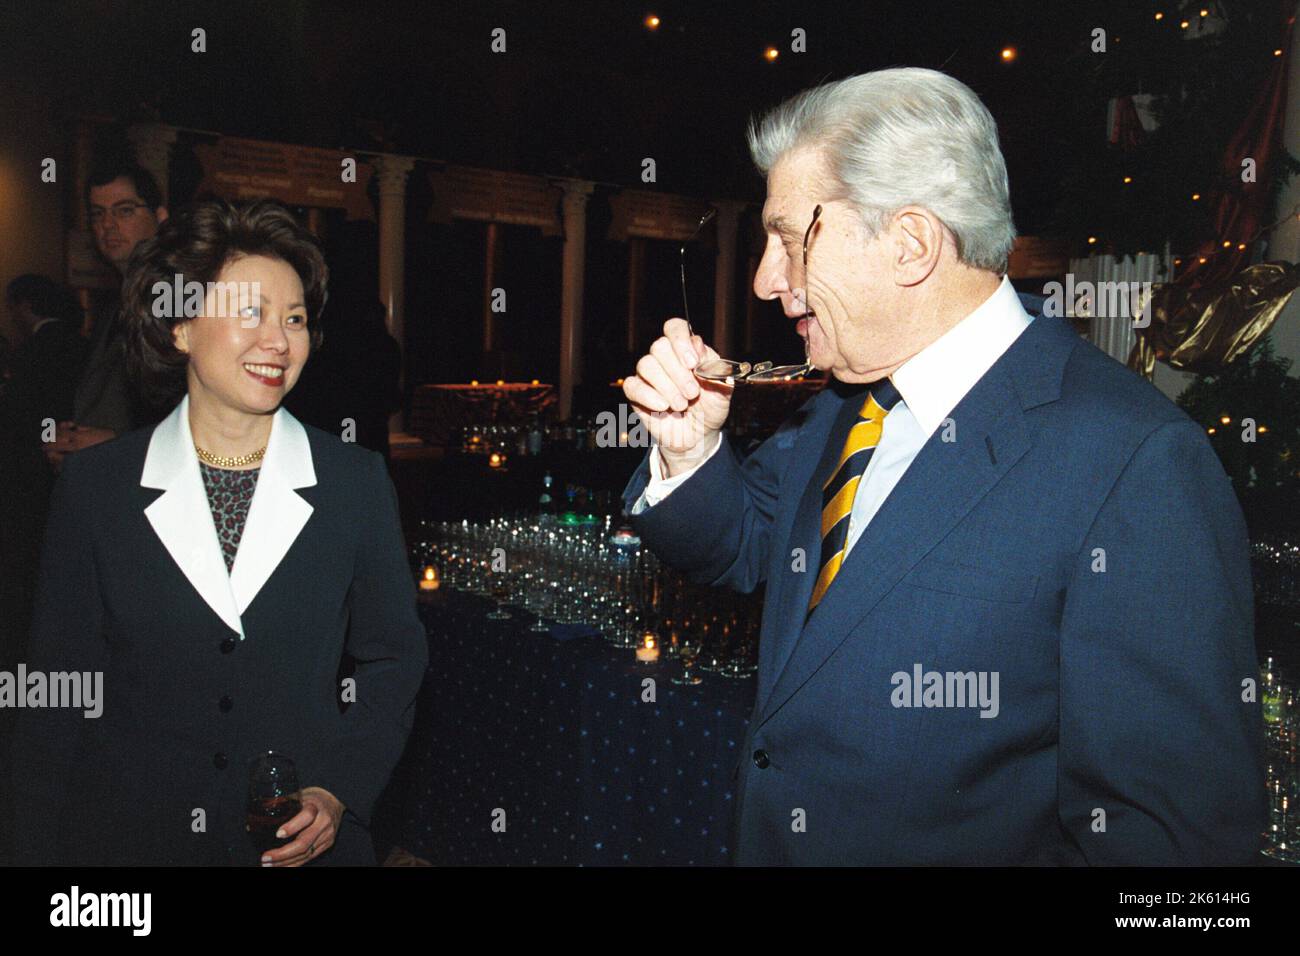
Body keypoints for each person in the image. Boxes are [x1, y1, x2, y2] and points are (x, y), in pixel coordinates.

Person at [621, 68, 1265, 865]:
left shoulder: (1135, 461)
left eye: (788, 240)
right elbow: (743, 548)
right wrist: (690, 452)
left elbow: (1182, 854)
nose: (764, 279)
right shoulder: (841, 403)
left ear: (912, 244)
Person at [8, 199, 428, 866]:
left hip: (300, 841)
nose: (280, 341)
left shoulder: (354, 482)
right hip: (136, 841)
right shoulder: (98, 487)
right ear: (179, 328)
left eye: (294, 318)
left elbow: (395, 659)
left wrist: (339, 788)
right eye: (252, 312)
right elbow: (58, 689)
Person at [44, 161, 168, 468]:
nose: (108, 225)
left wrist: (120, 442)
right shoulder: (114, 304)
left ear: (161, 217)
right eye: (98, 213)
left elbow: (203, 411)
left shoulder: (179, 296)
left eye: (125, 210)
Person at [0, 276, 88, 663]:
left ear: (25, 305)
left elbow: (39, 412)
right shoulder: (81, 345)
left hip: (33, 468)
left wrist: (46, 440)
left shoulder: (32, 352)